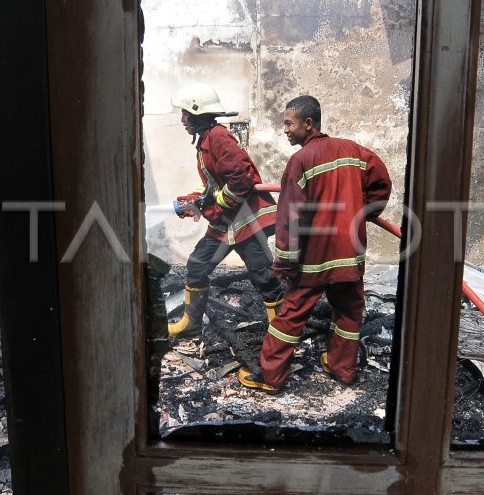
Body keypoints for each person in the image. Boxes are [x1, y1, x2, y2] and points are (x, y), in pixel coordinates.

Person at [238, 94, 391, 392]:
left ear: (309, 124)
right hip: (350, 255)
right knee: (349, 312)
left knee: (290, 317)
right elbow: (381, 183)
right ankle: (342, 369)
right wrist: (362, 215)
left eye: (289, 124)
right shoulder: (354, 150)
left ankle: (271, 377)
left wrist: (284, 262)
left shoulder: (301, 161)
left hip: (314, 260)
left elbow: (290, 219)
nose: (285, 130)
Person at [166, 83, 283, 338]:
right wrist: (195, 199)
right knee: (197, 264)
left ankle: (281, 333)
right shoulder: (206, 140)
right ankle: (191, 323)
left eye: (186, 113)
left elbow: (241, 181)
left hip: (245, 222)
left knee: (263, 275)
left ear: (198, 113)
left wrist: (216, 206)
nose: (183, 119)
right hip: (226, 225)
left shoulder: (218, 137)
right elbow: (215, 183)